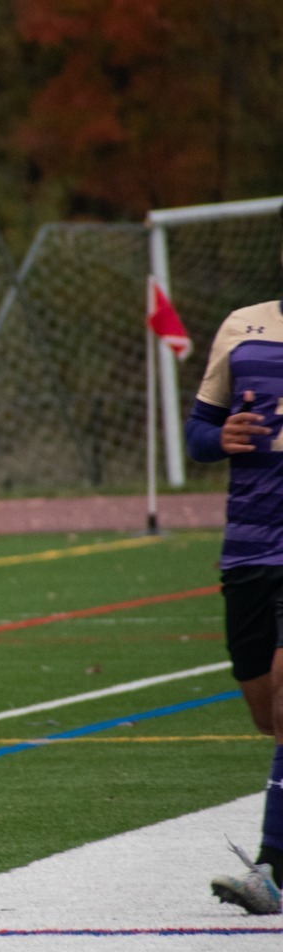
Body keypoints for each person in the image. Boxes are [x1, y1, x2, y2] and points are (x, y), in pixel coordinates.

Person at [185, 231, 283, 915]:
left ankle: (271, 868)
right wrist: (220, 438)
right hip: (249, 546)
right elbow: (197, 432)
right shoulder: (243, 326)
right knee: (265, 707)